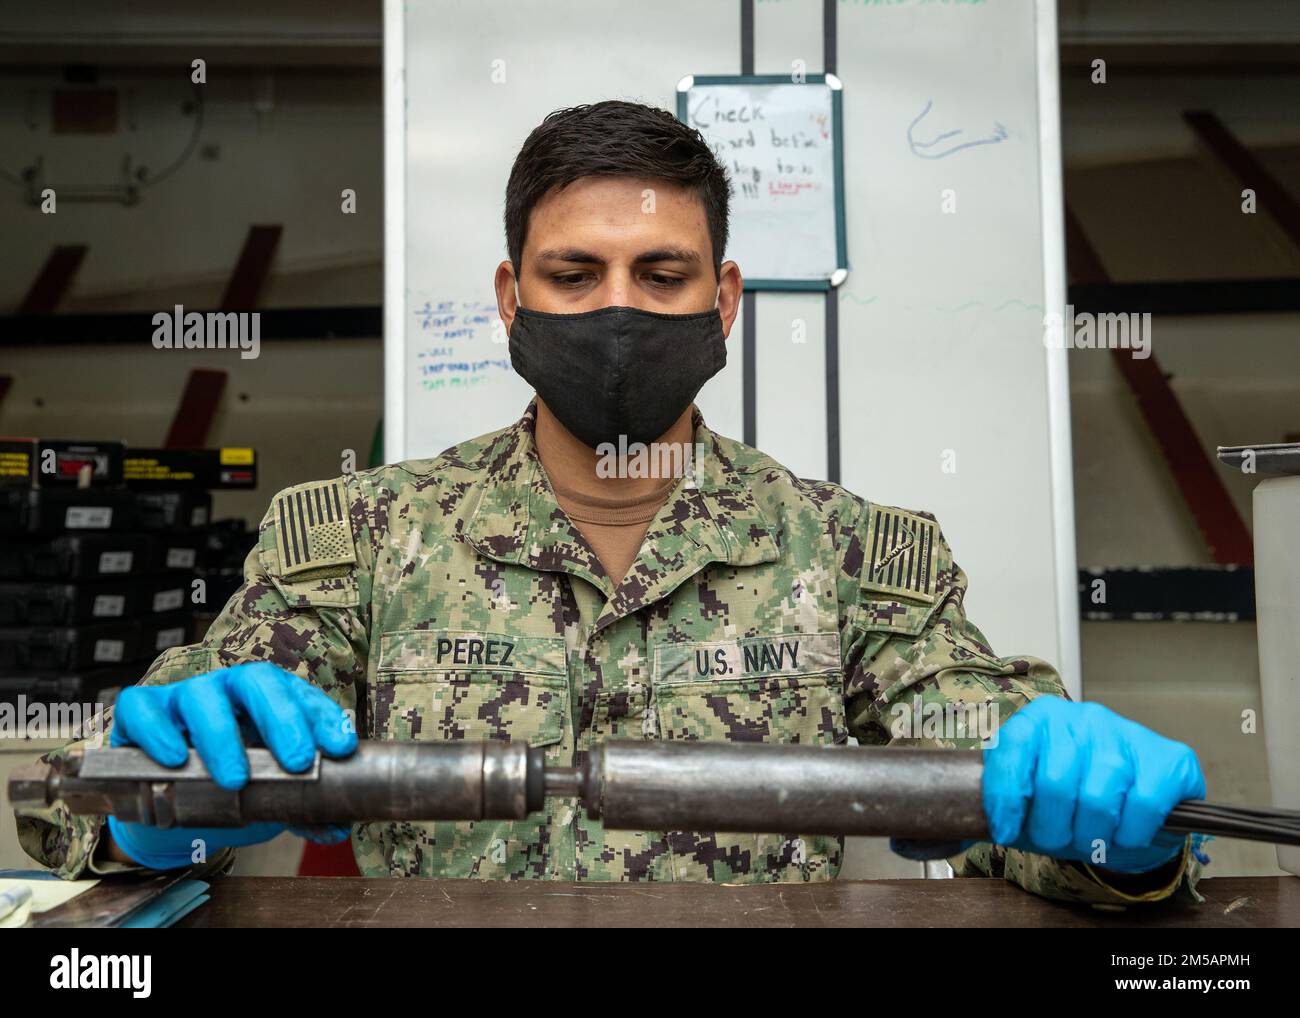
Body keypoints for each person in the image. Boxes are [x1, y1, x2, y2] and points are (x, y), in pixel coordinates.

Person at [17, 101, 1207, 902]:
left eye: (662, 274)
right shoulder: (364, 536)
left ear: (726, 298)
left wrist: (1114, 838)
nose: (619, 311)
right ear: (510, 295)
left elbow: (991, 775)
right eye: (574, 274)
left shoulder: (850, 551)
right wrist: (151, 800)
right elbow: (81, 815)